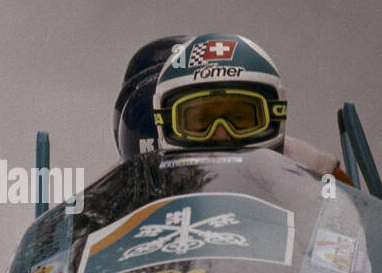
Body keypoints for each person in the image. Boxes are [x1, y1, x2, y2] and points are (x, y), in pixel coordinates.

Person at [113, 33, 353, 184]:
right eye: (200, 121)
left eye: (240, 117)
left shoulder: (318, 171)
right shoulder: (112, 186)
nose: (221, 133)